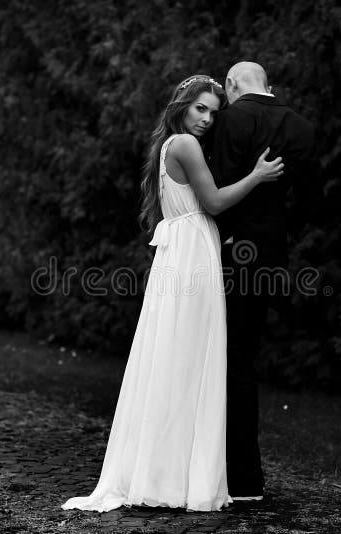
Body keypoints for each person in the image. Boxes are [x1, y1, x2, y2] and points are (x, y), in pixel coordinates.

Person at [61, 74, 284, 512]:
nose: (207, 119)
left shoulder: (169, 146)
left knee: (179, 355)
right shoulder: (184, 145)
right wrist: (257, 175)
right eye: (200, 108)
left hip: (184, 252)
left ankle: (169, 471)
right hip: (192, 255)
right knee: (192, 355)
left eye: (213, 113)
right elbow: (214, 202)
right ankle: (179, 474)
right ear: (181, 105)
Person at [209, 61, 317, 501]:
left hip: (228, 251)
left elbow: (217, 189)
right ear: (269, 85)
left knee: (226, 359)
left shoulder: (231, 119)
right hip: (271, 255)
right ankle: (245, 478)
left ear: (231, 84)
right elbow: (308, 200)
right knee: (245, 357)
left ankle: (233, 477)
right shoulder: (301, 127)